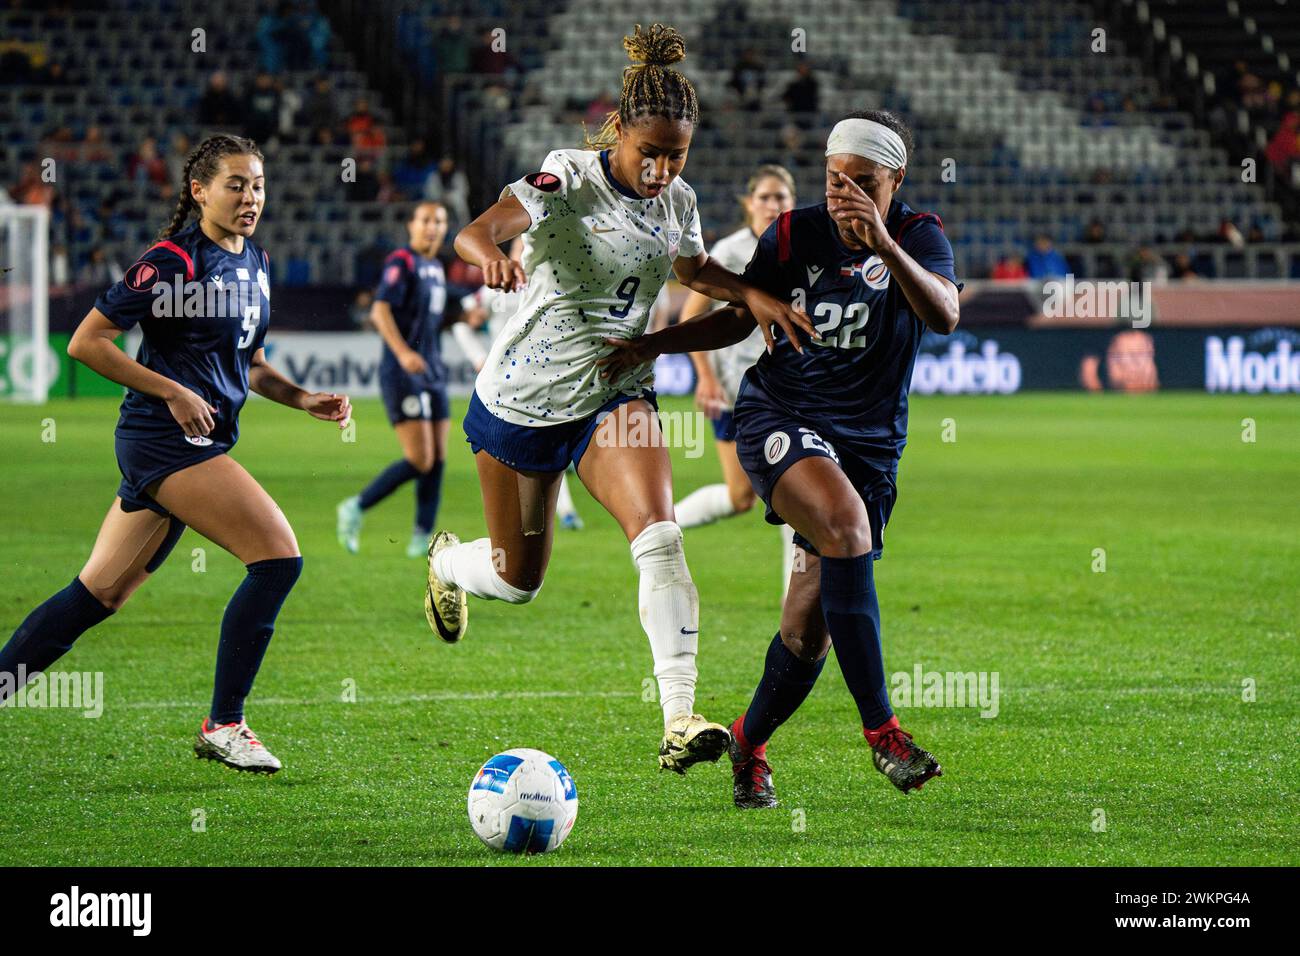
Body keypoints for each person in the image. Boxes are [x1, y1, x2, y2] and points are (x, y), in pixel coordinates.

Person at [426, 23, 810, 774]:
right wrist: (493, 258)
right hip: (525, 403)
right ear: (620, 135)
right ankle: (448, 565)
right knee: (516, 578)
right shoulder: (567, 177)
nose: (664, 169)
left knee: (659, 537)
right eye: (651, 153)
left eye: (677, 155)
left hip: (616, 392)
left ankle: (679, 718)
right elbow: (477, 233)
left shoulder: (679, 201)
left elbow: (695, 272)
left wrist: (753, 297)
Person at [599, 109, 958, 805]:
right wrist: (653, 347)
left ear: (896, 180)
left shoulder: (918, 236)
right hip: (781, 417)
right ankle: (883, 732)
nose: (843, 192)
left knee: (806, 631)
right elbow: (743, 313)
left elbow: (943, 314)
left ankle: (747, 742)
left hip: (869, 446)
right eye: (832, 178)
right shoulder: (793, 233)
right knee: (846, 526)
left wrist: (882, 243)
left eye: (862, 181)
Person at [0, 135, 351, 773]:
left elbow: (253, 364)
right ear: (199, 191)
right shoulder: (171, 262)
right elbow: (87, 342)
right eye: (236, 184)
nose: (251, 198)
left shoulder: (257, 263)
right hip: (164, 442)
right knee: (277, 560)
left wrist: (302, 398)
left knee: (97, 595)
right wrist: (172, 390)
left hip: (193, 442)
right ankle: (226, 723)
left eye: (258, 186)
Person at [674, 165, 797, 593]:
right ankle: (662, 531)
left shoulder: (802, 247)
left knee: (795, 493)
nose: (773, 204)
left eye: (781, 197)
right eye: (764, 196)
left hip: (790, 391)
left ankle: (793, 605)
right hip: (735, 391)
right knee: (740, 497)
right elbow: (690, 317)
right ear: (748, 203)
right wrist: (704, 378)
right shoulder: (728, 250)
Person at [337, 202, 452, 559]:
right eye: (425, 221)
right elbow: (380, 310)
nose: (431, 227)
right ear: (411, 225)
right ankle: (356, 506)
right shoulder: (401, 261)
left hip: (432, 371)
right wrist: (403, 354)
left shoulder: (435, 267)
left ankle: (422, 538)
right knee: (420, 458)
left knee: (438, 458)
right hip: (403, 373)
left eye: (439, 222)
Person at [456, 237, 584, 531]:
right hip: (508, 382)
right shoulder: (499, 286)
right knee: (543, 447)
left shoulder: (555, 282)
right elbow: (463, 321)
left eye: (530, 245)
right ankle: (561, 511)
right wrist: (479, 357)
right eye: (520, 247)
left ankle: (558, 506)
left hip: (550, 378)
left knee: (549, 444)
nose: (526, 251)